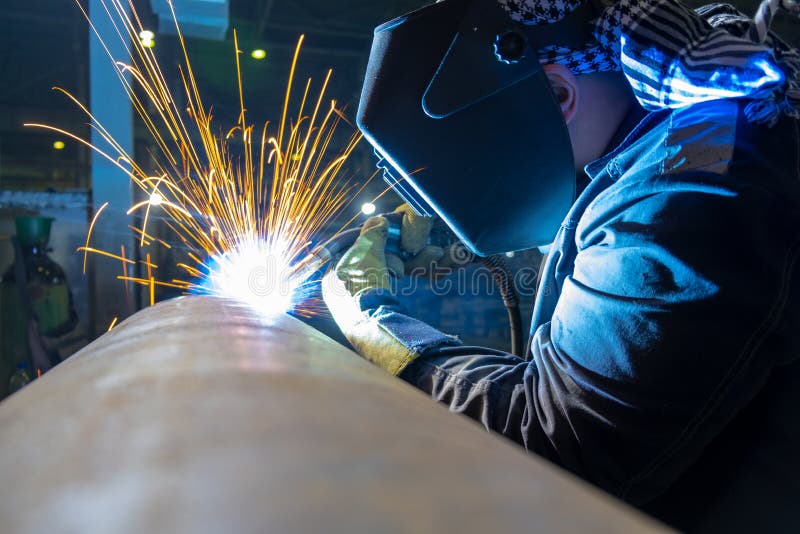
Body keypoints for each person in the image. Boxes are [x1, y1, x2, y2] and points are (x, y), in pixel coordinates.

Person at [322, 0, 800, 531]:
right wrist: (449, 225)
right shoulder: (698, 135)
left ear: (557, 94)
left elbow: (550, 444)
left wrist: (371, 319)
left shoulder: (693, 181)